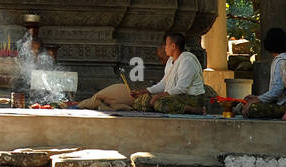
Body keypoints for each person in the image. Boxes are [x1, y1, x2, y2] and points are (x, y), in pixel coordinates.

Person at [77, 31, 206, 114]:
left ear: (173, 46)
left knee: (160, 103)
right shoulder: (171, 61)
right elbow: (164, 83)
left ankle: (194, 110)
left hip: (191, 98)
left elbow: (181, 88)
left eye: (166, 45)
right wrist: (145, 91)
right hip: (174, 96)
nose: (165, 48)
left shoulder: (187, 61)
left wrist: (159, 96)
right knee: (140, 101)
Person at [239, 28, 286, 119]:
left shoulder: (281, 61)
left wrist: (258, 99)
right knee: (245, 104)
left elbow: (277, 91)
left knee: (249, 108)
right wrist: (258, 97)